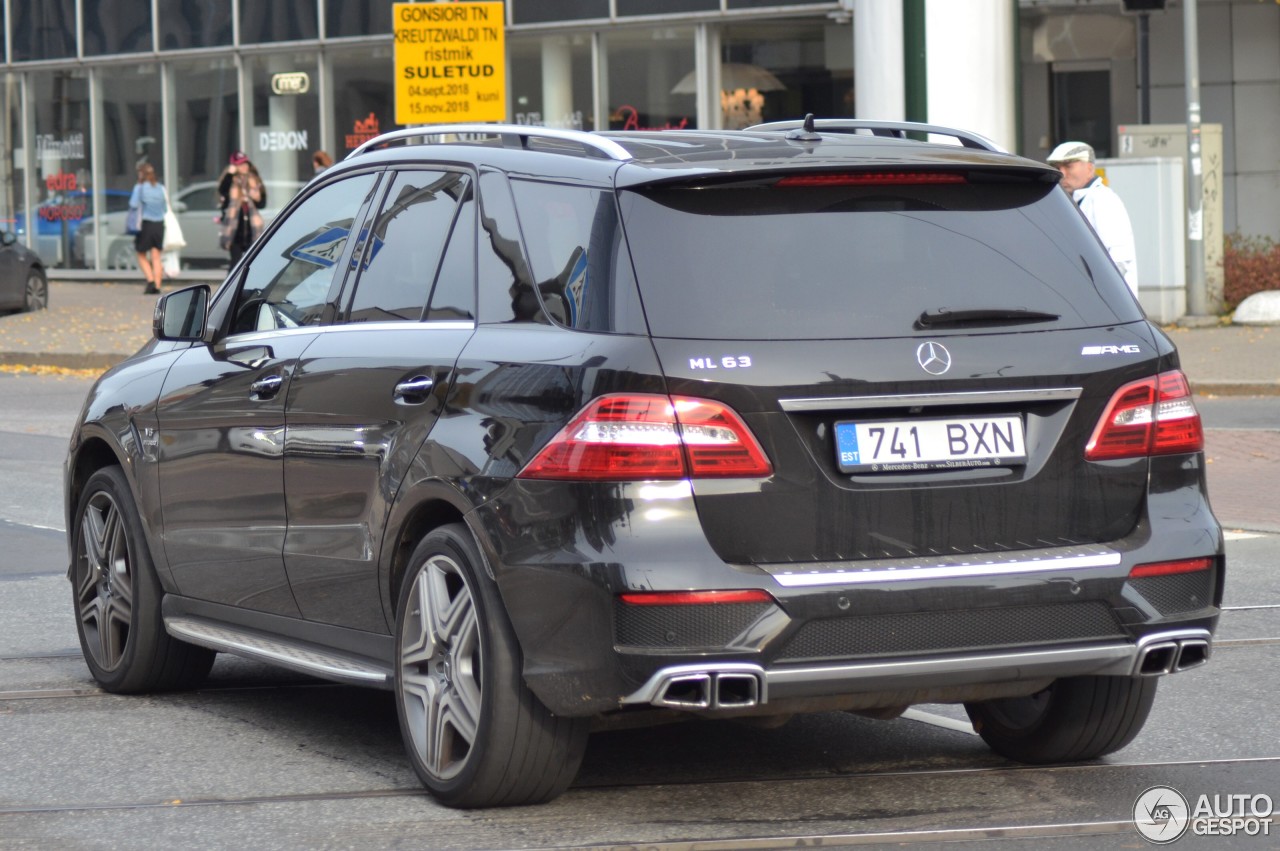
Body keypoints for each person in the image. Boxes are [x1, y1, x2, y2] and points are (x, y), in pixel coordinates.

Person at [1047, 141, 1138, 296]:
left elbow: (1119, 259)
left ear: (1090, 168)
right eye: (1057, 167)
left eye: (1068, 166)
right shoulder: (1073, 200)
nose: (1062, 173)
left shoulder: (1103, 199)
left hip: (1109, 302)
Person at [217, 151, 267, 266]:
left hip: (252, 230)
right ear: (234, 166)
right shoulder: (230, 182)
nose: (244, 166)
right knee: (235, 264)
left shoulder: (255, 180)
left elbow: (262, 204)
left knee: (252, 264)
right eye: (240, 164)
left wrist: (255, 198)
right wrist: (229, 174)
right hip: (235, 231)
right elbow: (222, 192)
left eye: (245, 163)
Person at [128, 163, 168, 294]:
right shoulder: (161, 188)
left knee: (141, 254)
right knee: (156, 256)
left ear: (141, 174)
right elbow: (165, 209)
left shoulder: (139, 188)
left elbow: (133, 204)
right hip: (159, 225)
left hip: (146, 224)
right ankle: (157, 285)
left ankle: (150, 280)